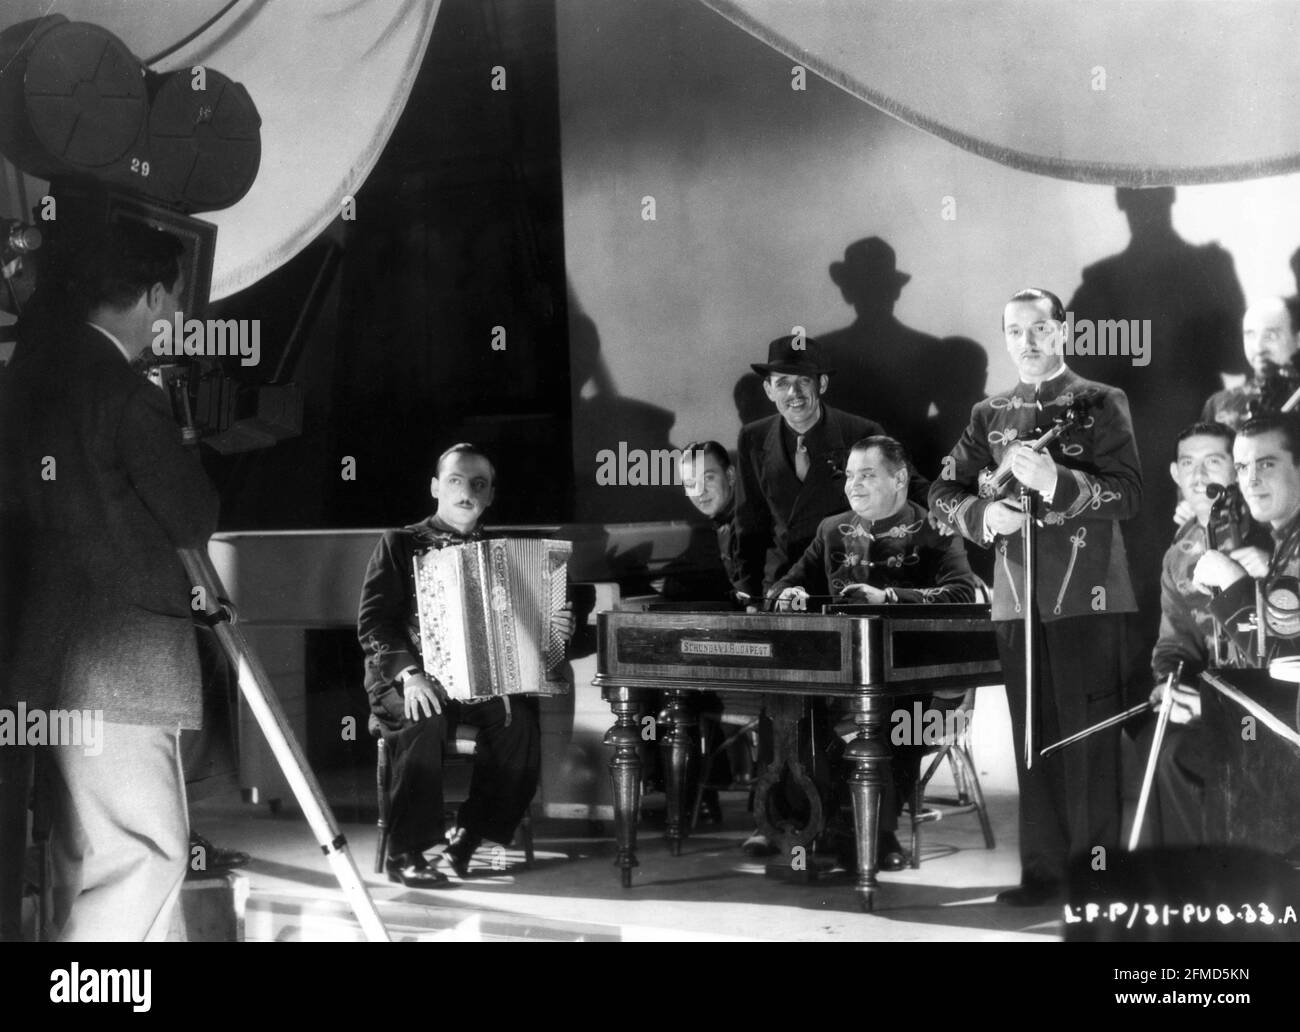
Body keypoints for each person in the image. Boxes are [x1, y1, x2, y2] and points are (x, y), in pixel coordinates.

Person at [4, 222, 218, 940]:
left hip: (45, 661)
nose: (177, 316)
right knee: (146, 856)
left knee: (81, 855)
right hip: (120, 667)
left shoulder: (30, 378)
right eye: (177, 300)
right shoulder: (125, 393)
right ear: (154, 296)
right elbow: (190, 516)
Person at [930, 287, 1142, 906]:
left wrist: (1058, 481)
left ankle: (1096, 878)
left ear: (1064, 332)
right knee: (1031, 739)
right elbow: (942, 489)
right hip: (1014, 600)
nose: (1027, 341)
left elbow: (1129, 493)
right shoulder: (987, 414)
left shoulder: (1102, 401)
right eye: (1015, 331)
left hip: (1090, 595)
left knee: (1089, 740)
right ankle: (1044, 875)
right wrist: (980, 516)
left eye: (1039, 329)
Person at [733, 334, 928, 856]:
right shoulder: (753, 437)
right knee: (783, 706)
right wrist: (751, 590)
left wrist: (954, 522)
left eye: (802, 381)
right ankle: (779, 821)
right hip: (789, 587)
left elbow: (906, 495)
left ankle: (872, 832)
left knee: (875, 711)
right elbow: (748, 522)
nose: (792, 392)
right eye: (780, 382)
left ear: (821, 384)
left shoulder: (861, 434)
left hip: (853, 587)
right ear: (768, 389)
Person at [358, 443, 575, 885]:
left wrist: (557, 627)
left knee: (519, 725)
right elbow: (373, 623)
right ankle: (409, 851)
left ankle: (470, 836)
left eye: (479, 484)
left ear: (490, 495)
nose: (467, 492)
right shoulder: (399, 543)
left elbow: (528, 627)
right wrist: (411, 674)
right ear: (436, 486)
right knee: (425, 718)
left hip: (478, 683)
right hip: (407, 681)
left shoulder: (503, 553)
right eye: (456, 480)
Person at [770, 435, 979, 868]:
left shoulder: (936, 529)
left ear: (900, 478)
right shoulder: (831, 530)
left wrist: (887, 597)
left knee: (889, 723)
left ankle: (878, 836)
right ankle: (814, 825)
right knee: (787, 710)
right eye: (849, 476)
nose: (853, 486)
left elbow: (962, 594)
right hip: (839, 679)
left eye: (867, 475)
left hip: (920, 683)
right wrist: (787, 593)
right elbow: (783, 583)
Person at [1134, 422, 1267, 847]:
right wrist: (1169, 684)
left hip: (1270, 705)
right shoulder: (1178, 555)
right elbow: (1174, 642)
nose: (1198, 476)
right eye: (1188, 464)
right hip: (1213, 706)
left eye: (1213, 462)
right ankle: (1192, 886)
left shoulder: (1269, 532)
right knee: (1163, 748)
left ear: (1236, 470)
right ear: (1175, 474)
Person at [1202, 297, 1300, 431]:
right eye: (1250, 335)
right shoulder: (1219, 404)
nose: (1258, 348)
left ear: (1298, 338)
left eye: (1270, 336)